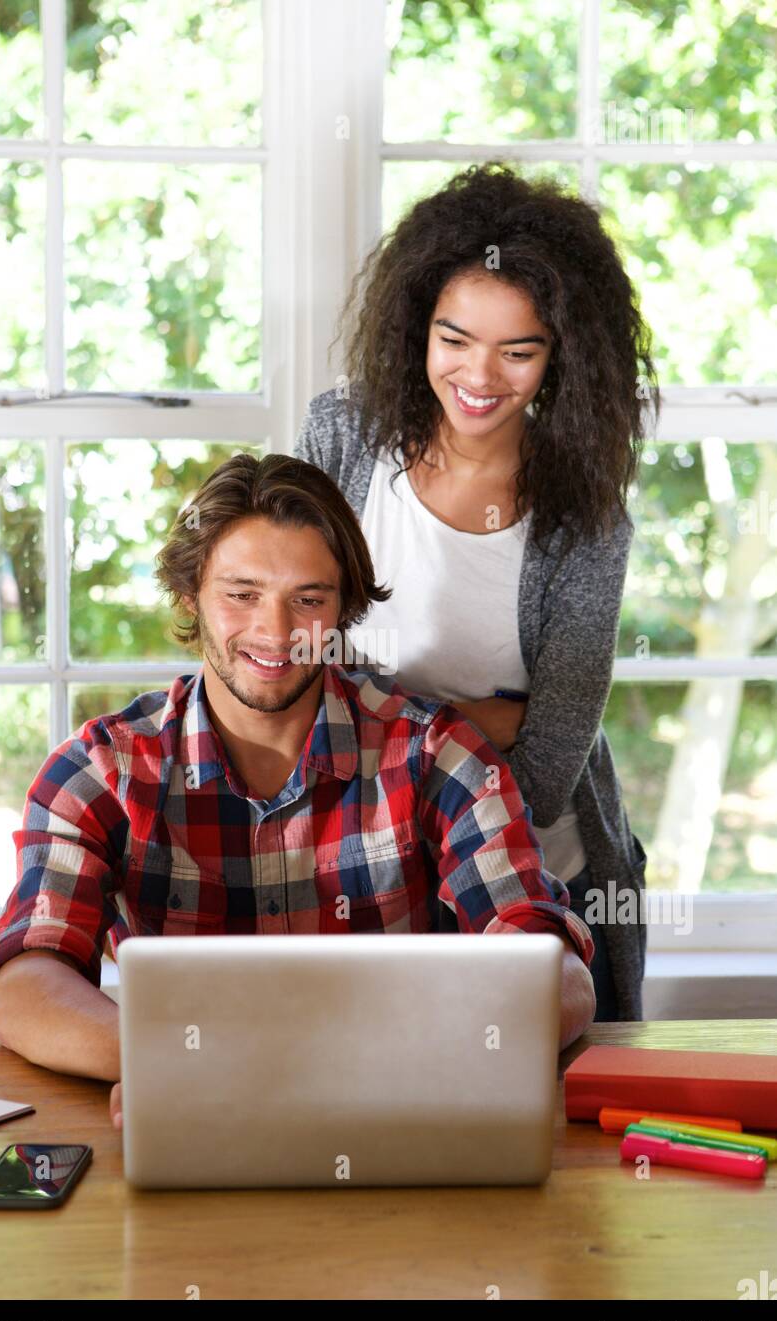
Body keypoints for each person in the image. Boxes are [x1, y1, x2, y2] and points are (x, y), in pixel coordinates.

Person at [0, 453, 596, 1126]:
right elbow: (27, 984)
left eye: (308, 599)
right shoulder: (98, 771)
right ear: (190, 596)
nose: (276, 633)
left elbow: (555, 973)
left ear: (343, 609)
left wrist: (375, 1064)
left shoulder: (436, 754)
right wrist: (179, 1060)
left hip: (398, 1123)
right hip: (194, 1120)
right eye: (241, 595)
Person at [294, 162, 658, 1021]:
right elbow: (293, 671)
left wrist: (386, 714)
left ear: (561, 356)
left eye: (518, 350)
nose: (479, 375)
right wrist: (479, 720)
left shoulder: (586, 522)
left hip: (546, 893)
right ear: (416, 327)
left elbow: (547, 764)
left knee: (556, 1154)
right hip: (365, 891)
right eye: (454, 339)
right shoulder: (341, 437)